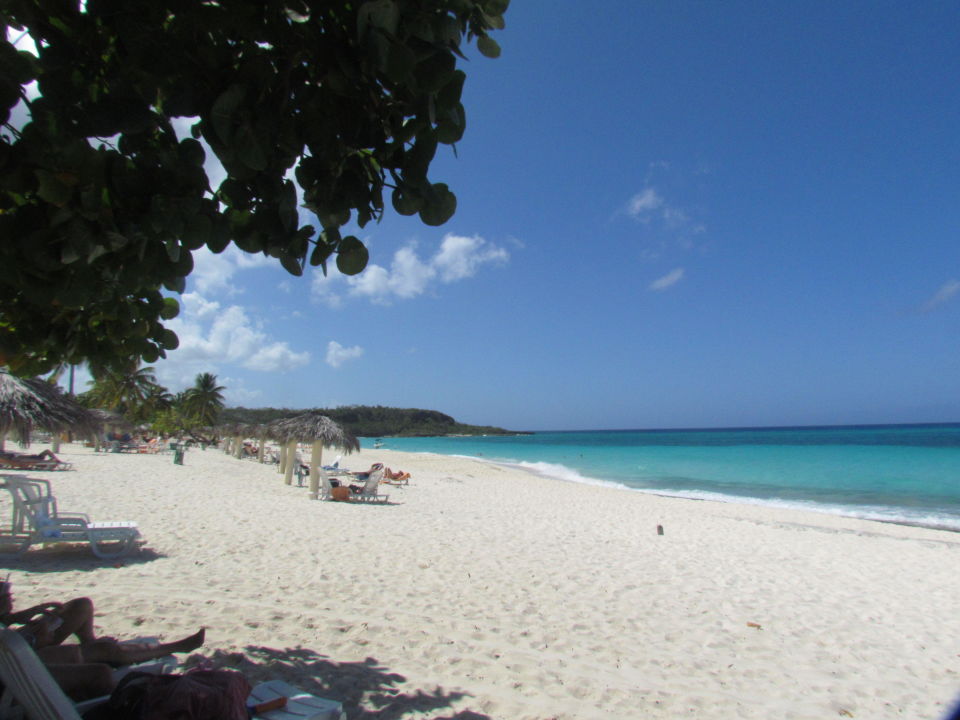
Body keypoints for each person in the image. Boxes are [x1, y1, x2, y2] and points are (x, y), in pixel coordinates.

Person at [0, 580, 204, 700]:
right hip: (13, 671)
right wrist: (38, 642)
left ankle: (177, 646)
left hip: (16, 651)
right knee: (101, 672)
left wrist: (14, 617)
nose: (9, 595)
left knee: (81, 606)